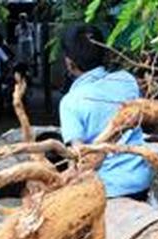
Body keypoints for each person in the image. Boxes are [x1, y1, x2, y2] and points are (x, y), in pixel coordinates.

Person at [59, 24, 152, 201]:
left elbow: (80, 156)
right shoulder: (127, 79)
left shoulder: (70, 102)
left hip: (107, 189)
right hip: (141, 180)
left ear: (69, 63)